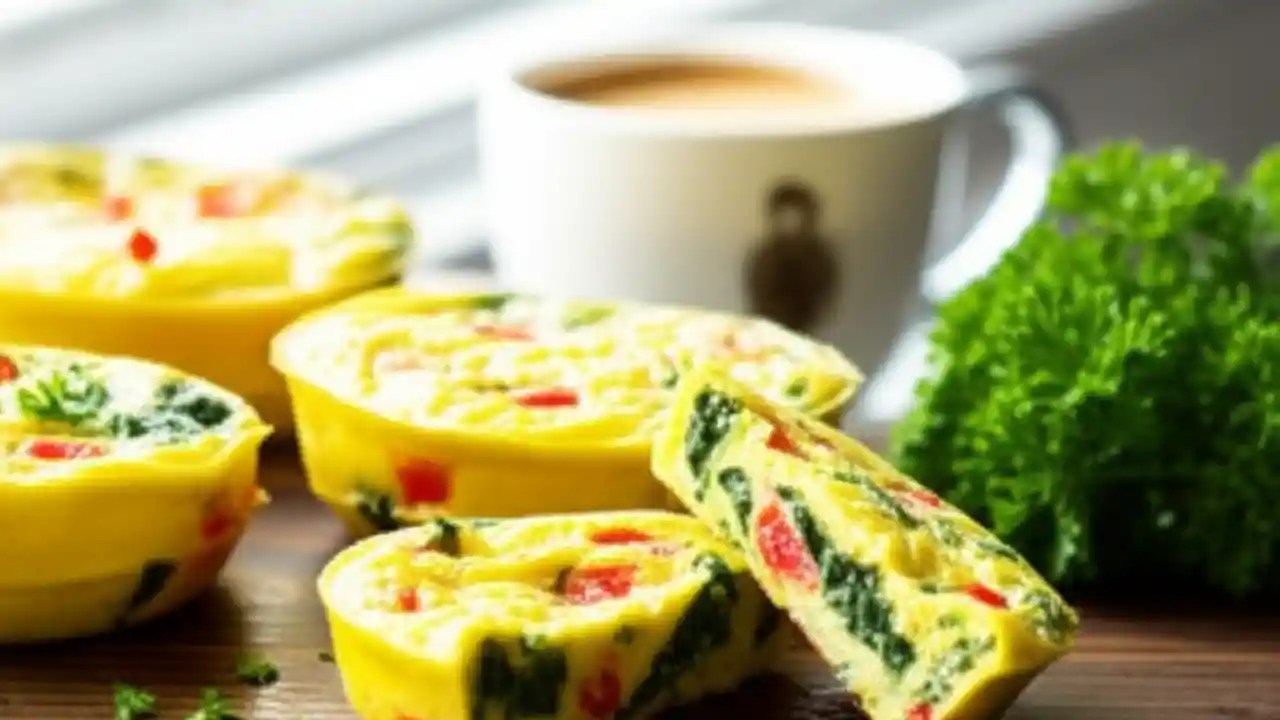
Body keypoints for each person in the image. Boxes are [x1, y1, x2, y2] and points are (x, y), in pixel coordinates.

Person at [745, 180, 837, 332]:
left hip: (803, 331)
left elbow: (821, 296)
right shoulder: (765, 256)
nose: (790, 222)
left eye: (796, 215)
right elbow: (759, 294)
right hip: (767, 330)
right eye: (784, 215)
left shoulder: (820, 258)